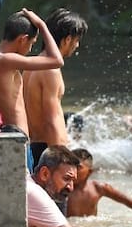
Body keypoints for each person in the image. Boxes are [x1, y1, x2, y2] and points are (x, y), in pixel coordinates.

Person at [0, 9, 64, 145]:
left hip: (1, 137)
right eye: (32, 43)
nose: (30, 49)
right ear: (23, 39)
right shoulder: (6, 60)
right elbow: (56, 60)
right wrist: (42, 25)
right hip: (17, 139)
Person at [24, 8, 87, 166]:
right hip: (47, 151)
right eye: (76, 40)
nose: (77, 45)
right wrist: (64, 162)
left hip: (33, 147)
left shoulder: (31, 65)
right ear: (67, 39)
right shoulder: (51, 70)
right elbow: (52, 119)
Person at [66, 148, 132, 219]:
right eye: (70, 166)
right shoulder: (63, 188)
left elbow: (125, 200)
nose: (72, 170)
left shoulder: (97, 188)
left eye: (78, 167)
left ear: (90, 172)